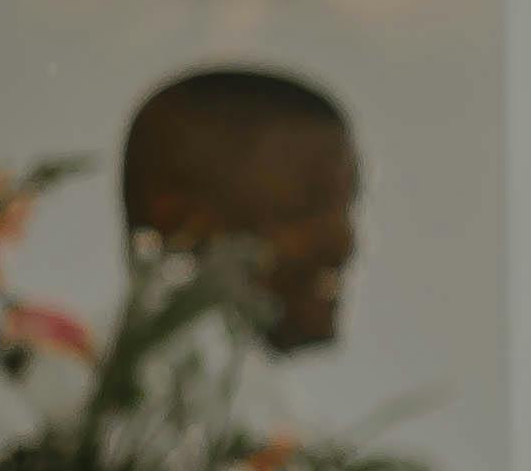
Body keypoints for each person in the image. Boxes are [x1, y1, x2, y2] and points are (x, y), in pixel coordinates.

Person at [117, 65, 359, 351]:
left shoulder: (239, 390)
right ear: (180, 221)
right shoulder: (71, 381)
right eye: (306, 208)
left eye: (347, 204)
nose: (344, 243)